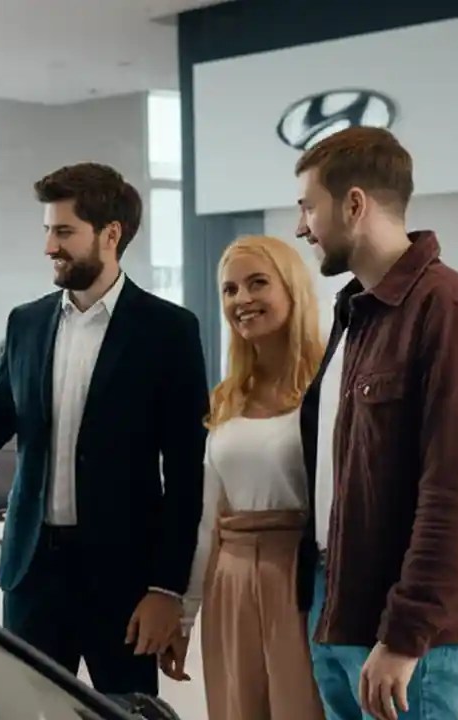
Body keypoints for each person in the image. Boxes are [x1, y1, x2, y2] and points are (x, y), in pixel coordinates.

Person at [0, 163, 209, 698]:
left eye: (64, 231)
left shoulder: (169, 331)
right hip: (32, 575)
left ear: (110, 234)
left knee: (126, 711)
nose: (49, 245)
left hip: (124, 580)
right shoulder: (25, 323)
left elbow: (187, 475)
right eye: (47, 230)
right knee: (26, 712)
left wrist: (167, 589)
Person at [293, 127, 458, 720]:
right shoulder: (355, 312)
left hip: (404, 629)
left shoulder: (453, 313)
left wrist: (406, 633)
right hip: (337, 603)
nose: (301, 227)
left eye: (308, 208)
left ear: (355, 204)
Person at [160, 235, 326, 720]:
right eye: (230, 290)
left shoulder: (325, 386)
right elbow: (206, 516)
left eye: (258, 283)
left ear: (292, 290)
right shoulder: (226, 397)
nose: (242, 300)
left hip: (302, 577)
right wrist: (185, 614)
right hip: (229, 581)